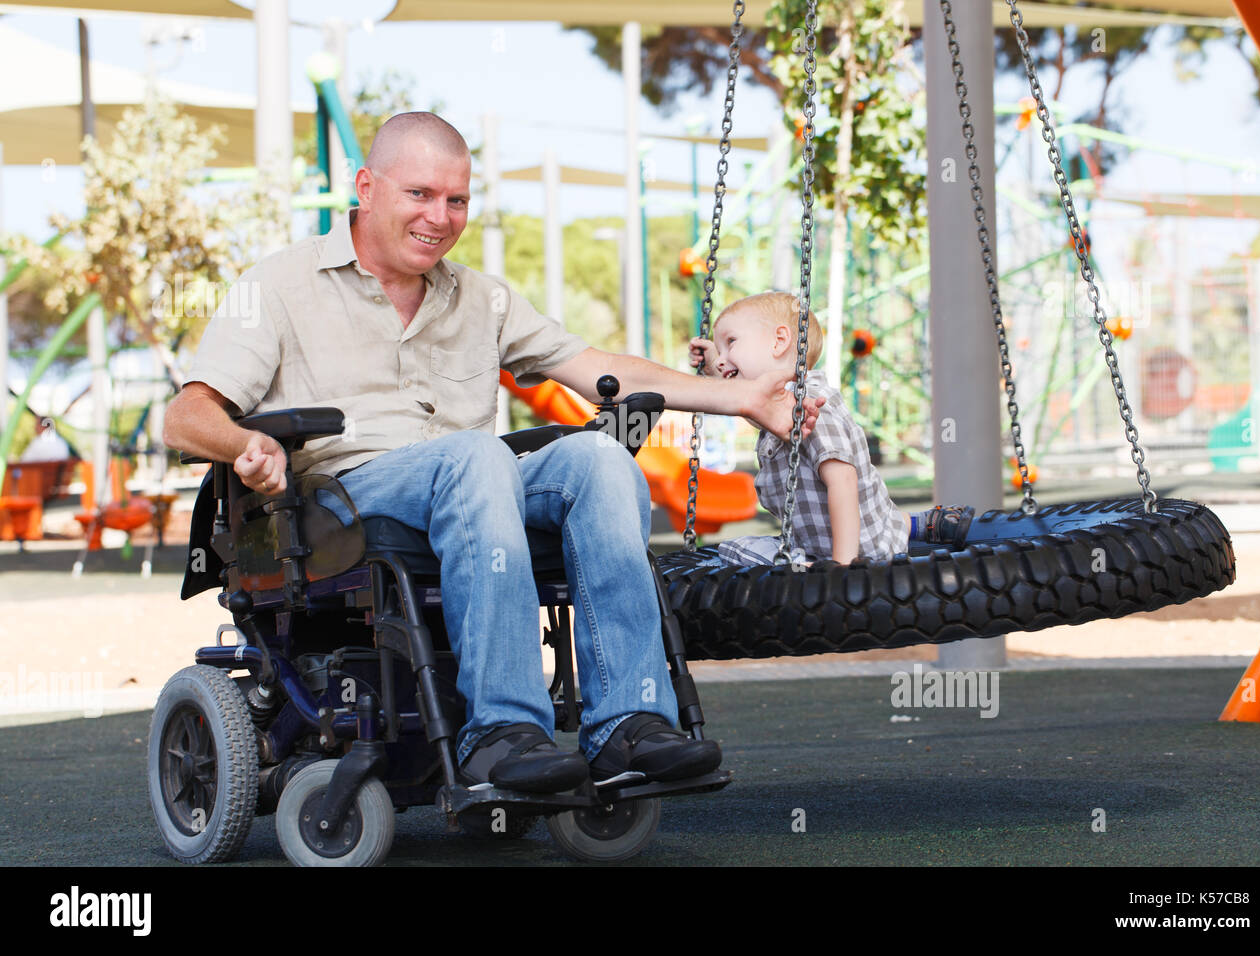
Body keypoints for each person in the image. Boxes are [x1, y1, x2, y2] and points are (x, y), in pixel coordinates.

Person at [163, 112, 825, 794]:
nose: (440, 217)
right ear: (366, 186)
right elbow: (184, 417)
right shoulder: (278, 285)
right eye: (419, 194)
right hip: (340, 500)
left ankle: (627, 724)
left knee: (599, 460)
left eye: (457, 200)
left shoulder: (483, 298)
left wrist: (743, 399)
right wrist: (245, 442)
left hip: (472, 484)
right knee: (477, 456)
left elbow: (600, 368)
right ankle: (500, 733)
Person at [689, 292, 973, 566]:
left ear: (779, 341)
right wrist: (714, 365)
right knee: (868, 504)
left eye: (731, 342)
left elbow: (843, 481)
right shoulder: (780, 406)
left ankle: (816, 566)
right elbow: (747, 406)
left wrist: (843, 567)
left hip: (849, 550)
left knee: (735, 550)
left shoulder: (811, 406)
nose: (722, 358)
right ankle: (912, 524)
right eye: (720, 349)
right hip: (838, 535)